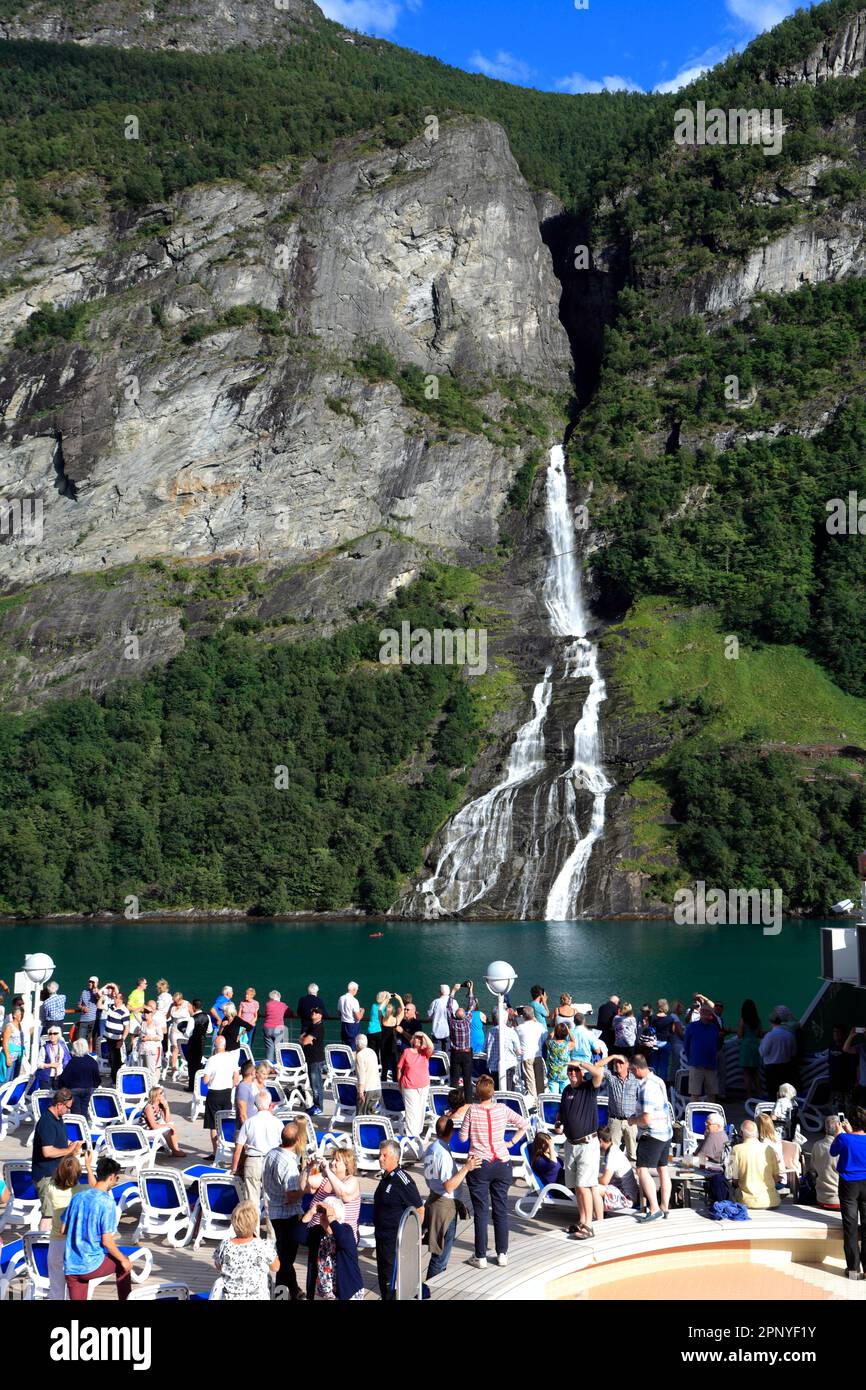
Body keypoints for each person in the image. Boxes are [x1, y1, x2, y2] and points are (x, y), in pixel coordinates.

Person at [461, 1074, 529, 1268]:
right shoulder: (502, 1109)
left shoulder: (472, 1111)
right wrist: (511, 1142)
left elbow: (463, 1138)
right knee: (500, 1210)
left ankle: (481, 1256)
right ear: (492, 1092)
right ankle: (502, 1254)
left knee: (481, 1211)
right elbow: (524, 1124)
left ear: (477, 1092)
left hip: (480, 1164)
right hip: (502, 1162)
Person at [63, 1156, 132, 1301]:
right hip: (91, 1264)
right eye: (117, 1178)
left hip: (71, 1265)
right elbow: (107, 1242)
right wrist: (124, 1260)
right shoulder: (107, 1203)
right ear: (112, 1177)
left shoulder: (77, 1197)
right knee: (122, 1264)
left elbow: (63, 1229)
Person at [423, 1116, 479, 1280]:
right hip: (444, 1206)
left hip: (434, 1199)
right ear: (451, 1132)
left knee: (438, 1253)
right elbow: (449, 1186)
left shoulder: (432, 1148)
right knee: (440, 1257)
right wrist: (467, 1168)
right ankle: (431, 1291)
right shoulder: (443, 1153)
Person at [555, 1059, 605, 1238]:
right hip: (571, 1145)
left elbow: (599, 1073)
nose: (573, 1073)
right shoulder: (567, 1091)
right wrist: (559, 1122)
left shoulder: (589, 1088)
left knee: (584, 1186)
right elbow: (562, 1111)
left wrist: (581, 1063)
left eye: (576, 1071)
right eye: (570, 1071)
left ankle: (589, 1225)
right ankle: (582, 1220)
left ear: (582, 1072)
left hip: (587, 1145)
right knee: (577, 1187)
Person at [372, 1139, 424, 1300]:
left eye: (384, 1155)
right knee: (383, 1280)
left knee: (391, 1283)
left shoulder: (403, 1180)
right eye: (380, 1155)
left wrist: (409, 1240)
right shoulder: (386, 1177)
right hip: (381, 1237)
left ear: (395, 1157)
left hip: (394, 1241)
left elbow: (419, 1210)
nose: (380, 1158)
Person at [41, 1150, 97, 1299]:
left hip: (56, 1241)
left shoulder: (51, 1188)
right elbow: (98, 1187)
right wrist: (88, 1166)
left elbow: (55, 1177)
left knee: (56, 1287)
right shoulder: (84, 1191)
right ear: (78, 1174)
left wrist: (69, 1156)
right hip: (75, 1243)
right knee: (74, 1285)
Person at [263, 1121, 305, 1300]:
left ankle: (294, 1290)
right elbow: (291, 1196)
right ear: (297, 1140)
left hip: (273, 1211)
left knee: (284, 1254)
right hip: (287, 1215)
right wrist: (305, 1188)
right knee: (286, 1260)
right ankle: (280, 1295)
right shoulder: (288, 1163)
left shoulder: (271, 1153)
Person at [630, 1052, 673, 1222]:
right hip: (666, 1130)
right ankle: (665, 1207)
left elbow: (646, 1118)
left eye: (633, 1071)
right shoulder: (659, 1080)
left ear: (637, 1069)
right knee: (663, 1168)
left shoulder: (647, 1087)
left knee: (642, 1169)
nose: (632, 1075)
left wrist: (633, 1120)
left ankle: (654, 1208)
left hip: (652, 1133)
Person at [232, 1093, 284, 1227]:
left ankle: (254, 1234)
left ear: (255, 1105)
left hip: (253, 1161)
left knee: (251, 1201)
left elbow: (238, 1149)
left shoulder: (249, 1122)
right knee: (271, 1202)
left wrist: (234, 1168)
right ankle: (273, 1237)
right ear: (270, 1104)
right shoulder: (277, 1123)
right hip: (272, 1162)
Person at [212, 1200, 278, 1300]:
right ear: (255, 1223)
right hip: (257, 1297)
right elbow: (276, 1267)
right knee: (267, 1278)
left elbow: (218, 1265)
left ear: (234, 1223)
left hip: (230, 1297)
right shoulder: (263, 1246)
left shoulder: (225, 1244)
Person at [830, 1106, 866, 1279]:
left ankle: (853, 1269)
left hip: (848, 1184)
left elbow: (833, 1151)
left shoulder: (844, 1138)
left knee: (850, 1227)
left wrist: (839, 1134)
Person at [306, 1196, 365, 1301]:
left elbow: (340, 1237)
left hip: (348, 1292)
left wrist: (331, 1216)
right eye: (323, 1213)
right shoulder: (318, 1232)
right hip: (324, 1293)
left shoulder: (347, 1231)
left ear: (336, 1218)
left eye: (327, 1214)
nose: (324, 1216)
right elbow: (296, 1235)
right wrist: (311, 1213)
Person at [33, 1089, 80, 1210]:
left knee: (59, 1211)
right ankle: (43, 1230)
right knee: (48, 1215)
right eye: (68, 1107)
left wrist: (72, 1144)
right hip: (46, 1177)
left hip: (56, 1174)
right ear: (59, 1105)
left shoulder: (59, 1118)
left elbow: (60, 1139)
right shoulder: (47, 1122)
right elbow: (47, 1152)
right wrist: (69, 1150)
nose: (69, 1110)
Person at [302, 1147, 362, 1238]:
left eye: (337, 1160)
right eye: (332, 1159)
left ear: (347, 1165)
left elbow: (343, 1194)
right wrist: (308, 1167)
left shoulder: (353, 1181)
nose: (332, 1162)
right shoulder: (326, 1178)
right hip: (315, 1233)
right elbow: (305, 1186)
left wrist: (328, 1171)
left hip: (340, 1237)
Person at [726, 1119, 781, 1209]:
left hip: (746, 1202)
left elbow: (732, 1177)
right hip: (771, 1201)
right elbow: (776, 1176)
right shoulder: (769, 1149)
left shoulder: (736, 1149)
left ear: (741, 1133)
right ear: (757, 1133)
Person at [202, 1037, 241, 1157]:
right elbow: (236, 1075)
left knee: (213, 1125)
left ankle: (216, 1153)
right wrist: (232, 1085)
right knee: (225, 1121)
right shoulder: (231, 1057)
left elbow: (205, 1080)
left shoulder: (212, 1060)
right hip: (227, 1092)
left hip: (214, 1093)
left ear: (215, 1045)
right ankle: (228, 1150)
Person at [398, 1031, 434, 1138]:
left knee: (420, 1110)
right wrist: (399, 1083)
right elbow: (399, 1068)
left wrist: (424, 1035)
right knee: (411, 1112)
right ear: (412, 1040)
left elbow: (431, 1046)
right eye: (416, 1038)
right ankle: (411, 1136)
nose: (418, 1040)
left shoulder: (425, 1052)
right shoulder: (407, 1051)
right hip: (409, 1085)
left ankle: (417, 1134)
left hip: (423, 1085)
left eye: (420, 1039)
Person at [605, 1053, 639, 1161]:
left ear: (627, 1065)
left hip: (631, 1120)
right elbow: (597, 1066)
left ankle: (632, 1175)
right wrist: (613, 1057)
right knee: (612, 1153)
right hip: (615, 1119)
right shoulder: (611, 1076)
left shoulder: (635, 1079)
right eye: (616, 1062)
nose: (618, 1064)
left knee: (633, 1154)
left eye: (621, 1062)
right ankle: (614, 1176)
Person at [684, 1004, 721, 1102]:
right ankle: (692, 1116)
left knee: (712, 1093)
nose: (704, 1013)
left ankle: (712, 1115)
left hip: (711, 1066)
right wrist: (691, 1059)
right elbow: (686, 1045)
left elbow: (717, 1044)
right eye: (703, 1011)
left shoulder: (714, 1028)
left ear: (711, 1014)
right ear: (700, 1013)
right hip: (696, 1065)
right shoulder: (692, 1026)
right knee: (694, 1093)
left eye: (707, 1011)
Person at [447, 983, 478, 1099]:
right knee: (467, 1079)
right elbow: (471, 1005)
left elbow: (448, 1007)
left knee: (454, 1080)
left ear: (455, 1015)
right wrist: (470, 990)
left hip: (455, 1053)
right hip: (466, 1053)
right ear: (464, 1015)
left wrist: (453, 991)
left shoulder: (451, 1022)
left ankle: (454, 1102)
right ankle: (469, 1102)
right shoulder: (467, 1021)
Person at [598, 1125, 639, 1211]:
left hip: (627, 1199)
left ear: (600, 1141)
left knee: (593, 1188)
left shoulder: (612, 1154)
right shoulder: (613, 1149)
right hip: (625, 1193)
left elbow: (605, 1181)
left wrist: (591, 1180)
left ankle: (597, 1218)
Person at [759, 1011, 798, 1098]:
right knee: (784, 1093)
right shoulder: (789, 1035)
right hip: (786, 1067)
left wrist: (761, 1042)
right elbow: (793, 1052)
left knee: (773, 1093)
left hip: (772, 1068)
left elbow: (763, 1052)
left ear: (771, 1022)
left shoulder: (770, 1035)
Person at [57, 1039, 100, 1115]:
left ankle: (78, 1126)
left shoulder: (72, 1062)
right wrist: (94, 1086)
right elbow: (97, 1079)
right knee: (84, 1110)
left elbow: (64, 1078)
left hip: (74, 1089)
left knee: (76, 1112)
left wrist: (61, 1087)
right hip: (87, 1089)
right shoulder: (92, 1061)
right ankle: (84, 1124)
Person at [142, 1086, 187, 1158]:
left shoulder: (159, 1105)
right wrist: (168, 1126)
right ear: (156, 1095)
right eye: (161, 1093)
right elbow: (153, 1126)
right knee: (171, 1127)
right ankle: (175, 1150)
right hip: (147, 1130)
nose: (163, 1094)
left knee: (171, 1127)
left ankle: (175, 1149)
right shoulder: (149, 1107)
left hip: (155, 1126)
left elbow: (167, 1120)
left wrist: (166, 1107)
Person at [810, 1115, 842, 1210]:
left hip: (821, 1198)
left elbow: (812, 1168)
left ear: (825, 1128)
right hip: (841, 1200)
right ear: (839, 1126)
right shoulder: (843, 1148)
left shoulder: (817, 1145)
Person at [484, 1009, 521, 1091]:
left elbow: (485, 1049)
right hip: (508, 1065)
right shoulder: (511, 1032)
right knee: (508, 1091)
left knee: (496, 1090)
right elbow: (518, 1051)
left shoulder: (490, 1031)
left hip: (493, 1067)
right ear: (506, 1019)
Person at [517, 1005, 547, 1100]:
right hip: (538, 1055)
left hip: (526, 1056)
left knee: (530, 1082)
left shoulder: (519, 1028)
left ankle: (533, 1103)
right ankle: (541, 1101)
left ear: (523, 1016)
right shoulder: (539, 1026)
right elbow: (545, 1037)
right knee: (540, 1082)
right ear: (533, 1015)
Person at [301, 1004, 326, 1114]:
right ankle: (316, 1105)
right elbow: (301, 1039)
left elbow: (305, 1041)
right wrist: (306, 1039)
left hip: (316, 1059)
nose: (313, 1014)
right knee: (313, 1084)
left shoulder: (318, 1027)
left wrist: (306, 1039)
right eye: (312, 1012)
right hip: (311, 1058)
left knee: (316, 1085)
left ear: (320, 1015)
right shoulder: (312, 1026)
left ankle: (318, 1107)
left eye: (316, 1012)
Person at [102, 989, 130, 1083]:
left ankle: (116, 1081)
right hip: (108, 1038)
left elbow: (127, 1027)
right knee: (111, 1059)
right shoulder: (111, 1007)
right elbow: (99, 1005)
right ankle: (114, 1079)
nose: (114, 998)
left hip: (116, 1040)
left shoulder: (124, 1011)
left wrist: (122, 1040)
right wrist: (102, 996)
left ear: (121, 1000)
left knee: (116, 1061)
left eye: (116, 997)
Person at [737, 999, 763, 1099]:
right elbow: (759, 1034)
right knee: (756, 1073)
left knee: (747, 1073)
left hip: (746, 1046)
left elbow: (739, 1035)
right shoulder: (758, 1020)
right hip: (755, 1045)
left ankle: (749, 1096)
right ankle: (760, 1094)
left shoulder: (743, 1019)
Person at [651, 998, 682, 1085]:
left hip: (655, 1044)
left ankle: (653, 1084)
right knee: (664, 1066)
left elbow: (651, 1031)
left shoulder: (653, 1018)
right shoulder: (670, 1019)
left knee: (654, 1065)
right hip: (665, 1044)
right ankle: (662, 1085)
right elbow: (672, 1031)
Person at [829, 1023, 858, 1111]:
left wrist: (856, 1081)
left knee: (849, 1108)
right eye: (834, 1032)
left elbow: (857, 1065)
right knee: (837, 1109)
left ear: (843, 1034)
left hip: (848, 1084)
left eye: (838, 1032)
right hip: (835, 1084)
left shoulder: (851, 1047)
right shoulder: (831, 1046)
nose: (836, 1034)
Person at [379, 992, 405, 1083]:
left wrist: (387, 999)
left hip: (383, 1045)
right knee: (394, 1068)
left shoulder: (382, 1021)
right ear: (393, 1011)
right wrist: (399, 999)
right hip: (393, 1046)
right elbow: (403, 1009)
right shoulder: (396, 1020)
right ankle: (395, 1085)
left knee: (384, 1068)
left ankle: (383, 1085)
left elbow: (379, 1009)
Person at [138, 1002, 166, 1082]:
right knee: (142, 1071)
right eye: (144, 1012)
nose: (145, 1013)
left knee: (150, 1071)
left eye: (147, 1012)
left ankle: (152, 1090)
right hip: (142, 1050)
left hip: (151, 1050)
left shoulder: (156, 1023)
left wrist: (149, 1038)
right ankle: (145, 1089)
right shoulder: (142, 1023)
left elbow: (161, 1037)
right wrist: (142, 1007)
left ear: (152, 1013)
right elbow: (135, 1013)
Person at [35, 1025, 70, 1090]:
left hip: (59, 1077)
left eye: (55, 1033)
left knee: (58, 1097)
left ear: (59, 1035)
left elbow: (67, 1061)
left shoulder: (63, 1047)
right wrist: (50, 1065)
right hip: (46, 1077)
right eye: (50, 1034)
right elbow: (38, 1064)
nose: (52, 1035)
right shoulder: (44, 1048)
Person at [186, 999, 209, 1092]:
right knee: (199, 1062)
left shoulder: (192, 1018)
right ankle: (198, 1085)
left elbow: (188, 1033)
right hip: (202, 1042)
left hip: (193, 1043)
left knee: (192, 1065)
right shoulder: (207, 1016)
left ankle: (191, 1086)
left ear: (194, 1007)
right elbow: (209, 1030)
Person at [546, 1022, 576, 1093]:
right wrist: (568, 1031)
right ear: (566, 1033)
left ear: (555, 1033)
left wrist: (555, 1030)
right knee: (565, 1096)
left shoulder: (550, 1044)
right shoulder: (567, 1045)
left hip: (552, 1075)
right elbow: (573, 1041)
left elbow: (549, 1037)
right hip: (564, 1075)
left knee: (553, 1099)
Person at [355, 1034, 382, 1115]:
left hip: (367, 1089)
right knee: (371, 1115)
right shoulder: (372, 1052)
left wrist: (360, 1092)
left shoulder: (359, 1055)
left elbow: (361, 1075)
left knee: (361, 1116)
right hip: (377, 1088)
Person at [262, 991, 290, 1063]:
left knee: (269, 1048)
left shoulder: (267, 1004)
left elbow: (266, 1014)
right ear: (279, 997)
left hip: (267, 1028)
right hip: (278, 1028)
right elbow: (290, 1013)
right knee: (278, 1048)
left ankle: (270, 1066)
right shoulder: (283, 1005)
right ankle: (278, 1065)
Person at [167, 991, 193, 1071]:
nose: (175, 1003)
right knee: (175, 1047)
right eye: (174, 1001)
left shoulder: (187, 1005)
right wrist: (171, 1008)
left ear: (181, 999)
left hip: (184, 1030)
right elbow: (167, 1016)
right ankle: (174, 1068)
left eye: (176, 1001)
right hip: (175, 1030)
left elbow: (193, 1016)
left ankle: (188, 1066)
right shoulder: (172, 1005)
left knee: (186, 1048)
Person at [0, 1004, 24, 1083]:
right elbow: (5, 1042)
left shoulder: (20, 1026)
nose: (21, 1016)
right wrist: (7, 1058)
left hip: (18, 1057)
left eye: (21, 1014)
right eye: (19, 1014)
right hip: (10, 1056)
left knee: (14, 1080)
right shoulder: (9, 1026)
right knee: (6, 1080)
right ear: (14, 1015)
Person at [843, 1026, 866, 1107]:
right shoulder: (862, 1047)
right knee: (861, 1113)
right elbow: (846, 1049)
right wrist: (851, 1036)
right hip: (863, 1087)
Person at [337, 982, 364, 1048]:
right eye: (357, 990)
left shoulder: (341, 998)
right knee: (353, 1047)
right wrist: (362, 1011)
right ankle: (353, 1058)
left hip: (344, 1025)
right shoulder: (354, 1000)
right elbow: (358, 1017)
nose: (357, 992)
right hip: (352, 1026)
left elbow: (339, 1013)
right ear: (354, 989)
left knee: (345, 1047)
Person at [76, 977, 100, 1053]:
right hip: (83, 1020)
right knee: (80, 1040)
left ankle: (91, 1056)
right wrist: (82, 1008)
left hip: (94, 1020)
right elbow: (79, 1004)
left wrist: (96, 989)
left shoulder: (98, 992)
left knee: (91, 1040)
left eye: (93, 982)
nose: (90, 983)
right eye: (89, 982)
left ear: (96, 983)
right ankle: (81, 1055)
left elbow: (99, 998)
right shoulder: (84, 992)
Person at [428, 985, 451, 1053]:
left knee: (436, 1054)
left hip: (436, 1032)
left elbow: (429, 1015)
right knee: (447, 1054)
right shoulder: (454, 1002)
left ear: (440, 992)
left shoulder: (435, 1002)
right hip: (448, 1033)